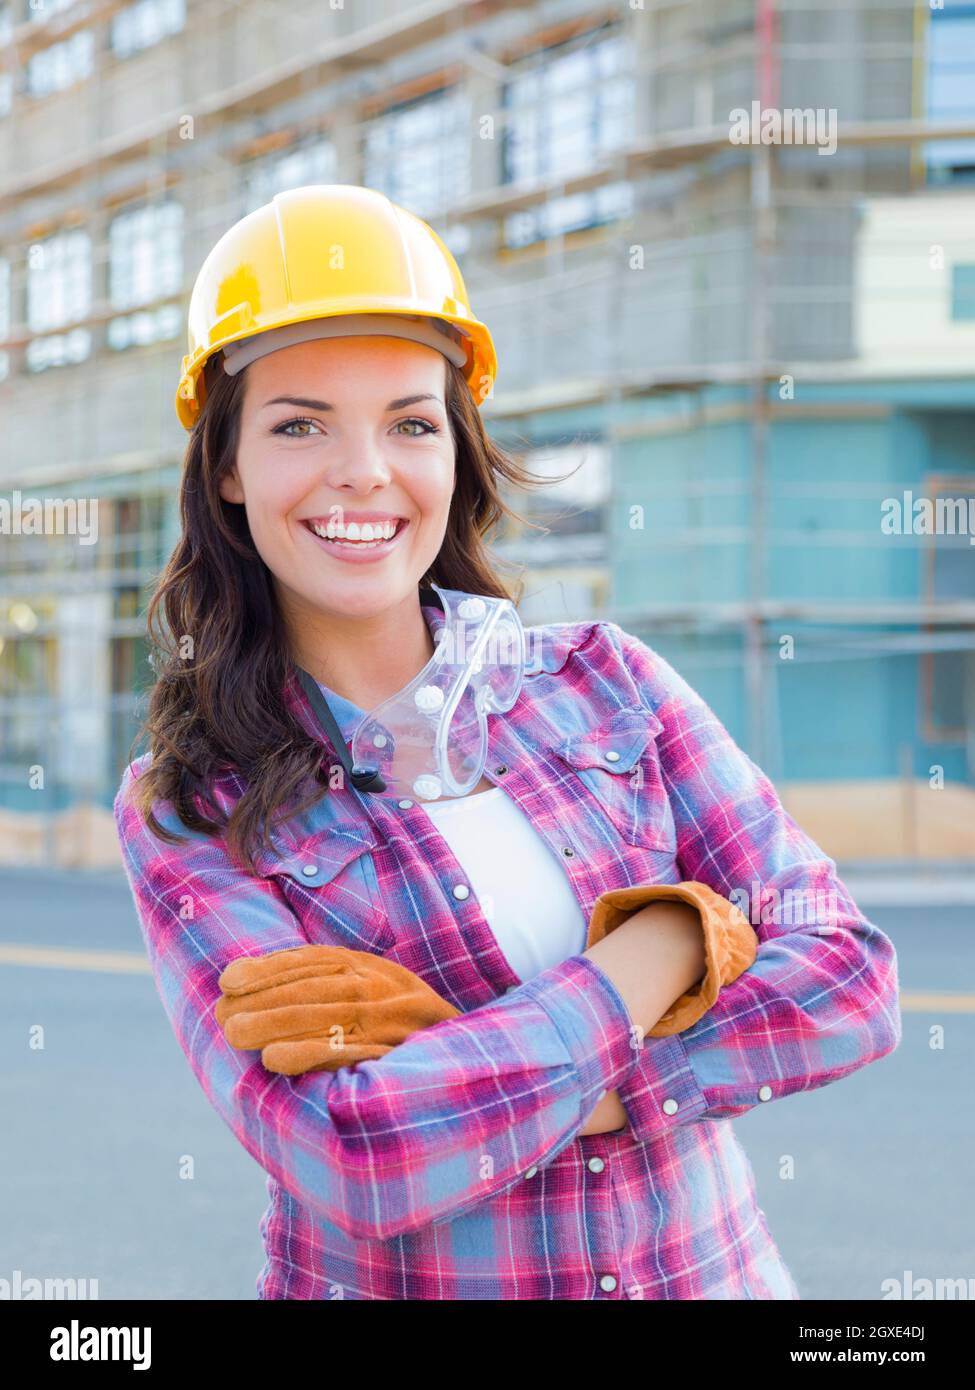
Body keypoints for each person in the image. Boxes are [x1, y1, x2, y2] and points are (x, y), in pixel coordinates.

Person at [114, 184, 902, 1300]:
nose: (363, 471)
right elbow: (362, 1160)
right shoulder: (190, 804)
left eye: (410, 422)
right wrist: (661, 950)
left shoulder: (609, 685)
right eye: (300, 423)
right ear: (229, 467)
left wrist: (522, 1070)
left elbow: (849, 981)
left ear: (454, 451)